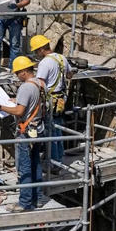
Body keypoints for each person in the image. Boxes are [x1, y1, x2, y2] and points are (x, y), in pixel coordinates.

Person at [0, 56, 46, 211]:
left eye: (17, 73)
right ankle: (38, 199)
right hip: (38, 129)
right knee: (35, 164)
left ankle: (24, 203)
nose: (16, 76)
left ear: (23, 72)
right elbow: (33, 104)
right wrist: (17, 100)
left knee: (24, 168)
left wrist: (0, 106)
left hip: (26, 132)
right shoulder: (40, 83)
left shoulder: (26, 87)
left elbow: (20, 111)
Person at [31, 34, 72, 175]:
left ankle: (54, 164)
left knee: (51, 131)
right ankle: (59, 158)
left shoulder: (44, 63)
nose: (36, 54)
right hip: (61, 99)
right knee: (58, 129)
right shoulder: (61, 58)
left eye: (36, 51)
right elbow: (70, 74)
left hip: (51, 100)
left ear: (42, 49)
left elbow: (41, 83)